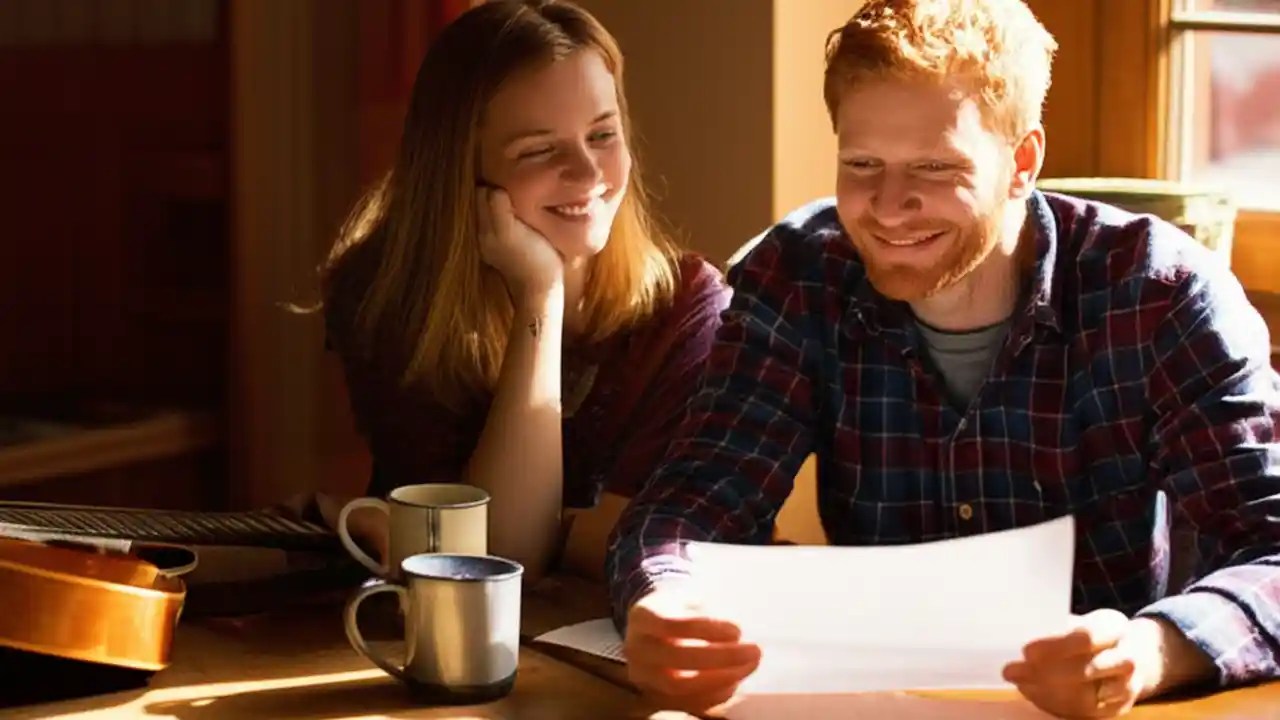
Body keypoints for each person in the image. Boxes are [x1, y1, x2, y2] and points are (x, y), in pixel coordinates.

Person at [607, 0, 1280, 717]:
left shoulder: (1162, 294)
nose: (890, 206)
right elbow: (695, 497)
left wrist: (1151, 652)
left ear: (1023, 162)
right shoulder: (796, 275)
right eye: (862, 164)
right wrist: (663, 598)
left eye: (934, 167)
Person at [317, 0, 730, 583]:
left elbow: (650, 543)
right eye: (539, 150)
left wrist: (566, 530)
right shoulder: (387, 299)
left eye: (603, 134)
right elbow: (493, 560)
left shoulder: (688, 311)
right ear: (462, 172)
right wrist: (540, 296)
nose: (588, 174)